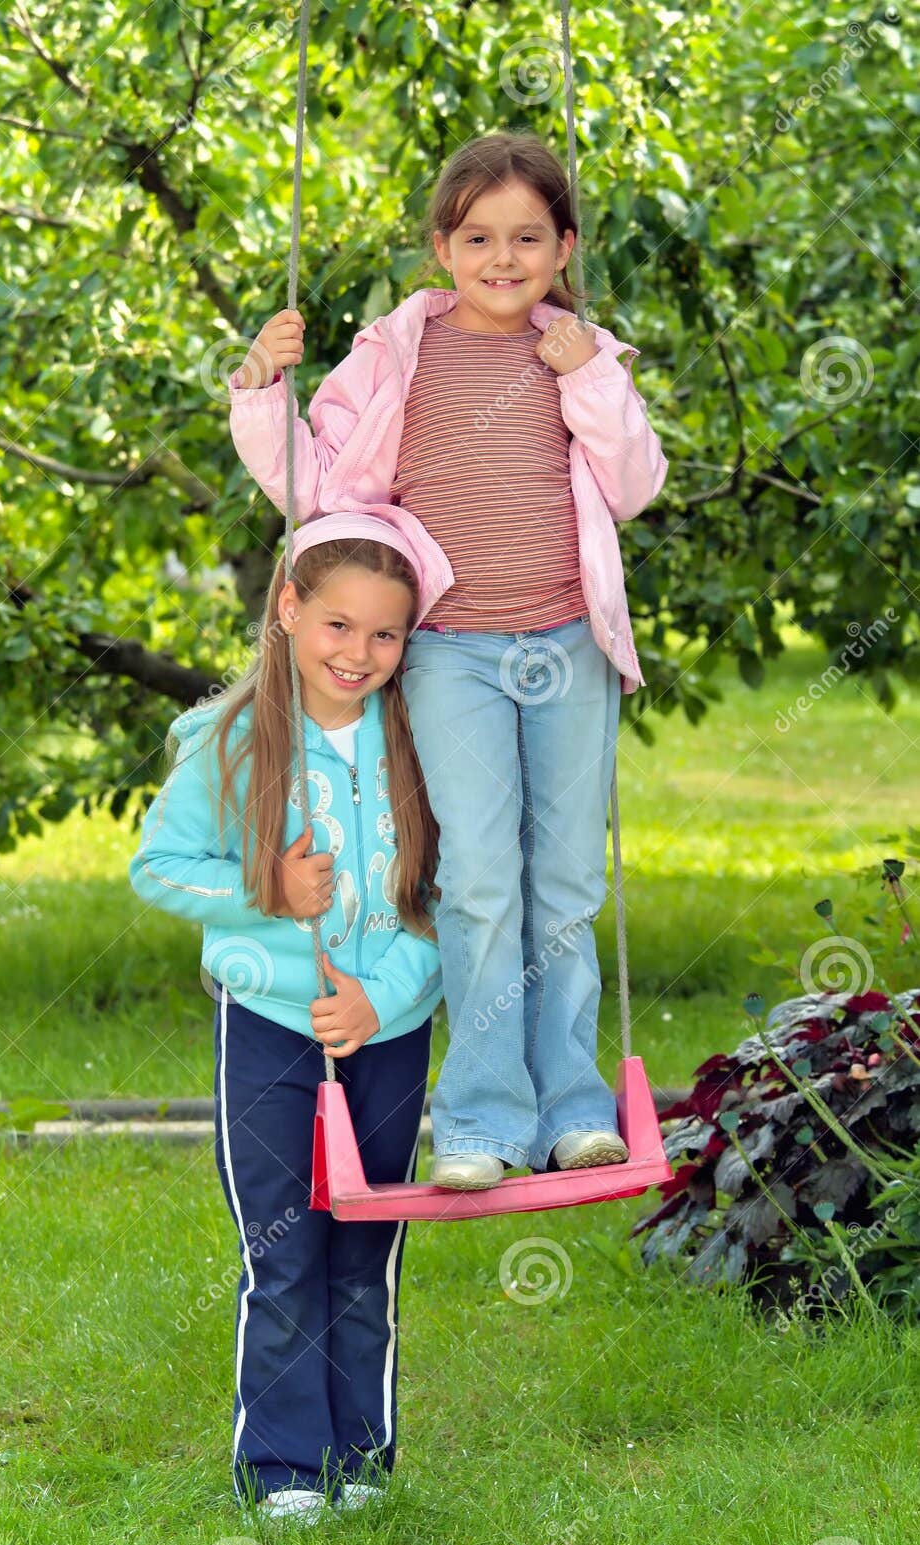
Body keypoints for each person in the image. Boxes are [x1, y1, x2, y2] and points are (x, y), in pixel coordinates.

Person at [229, 129, 667, 1193]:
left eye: (527, 238)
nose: (503, 258)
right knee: (477, 879)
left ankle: (571, 1108)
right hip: (452, 652)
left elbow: (632, 482)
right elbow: (317, 484)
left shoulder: (581, 352)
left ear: (563, 247)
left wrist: (589, 383)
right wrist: (258, 390)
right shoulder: (394, 353)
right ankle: (475, 1116)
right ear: (441, 247)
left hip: (564, 640)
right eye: (478, 237)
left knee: (560, 879)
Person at [129, 514, 443, 1525]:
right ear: (287, 608)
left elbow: (450, 897)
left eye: (384, 635)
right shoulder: (229, 736)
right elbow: (160, 867)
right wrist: (261, 887)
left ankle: (361, 1460)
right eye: (337, 625)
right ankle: (282, 1467)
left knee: (364, 1248)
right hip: (270, 1022)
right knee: (284, 1245)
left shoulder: (424, 738)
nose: (357, 654)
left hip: (385, 1032)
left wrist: (383, 994)